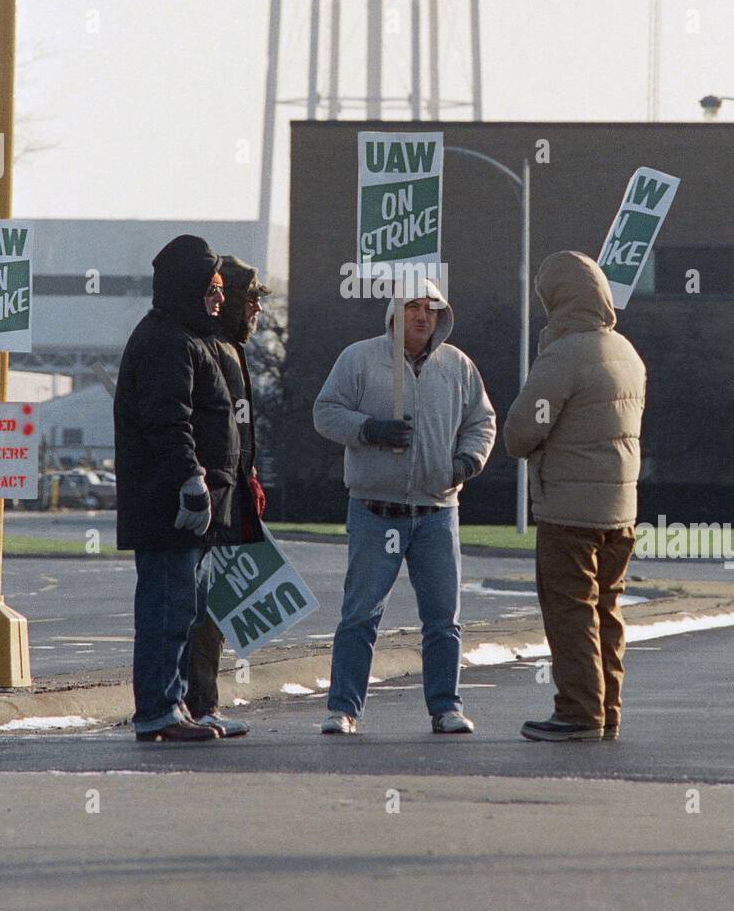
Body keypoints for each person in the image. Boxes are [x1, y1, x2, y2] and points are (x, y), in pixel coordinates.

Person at [313, 278, 496, 735]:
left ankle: (446, 707)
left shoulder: (458, 365)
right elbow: (325, 412)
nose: (422, 316)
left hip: (436, 511)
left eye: (431, 309)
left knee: (442, 618)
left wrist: (468, 460)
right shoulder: (358, 358)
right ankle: (343, 709)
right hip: (375, 511)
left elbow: (483, 420)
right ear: (394, 313)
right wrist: (369, 429)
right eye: (413, 307)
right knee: (360, 615)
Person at [504, 251, 646, 742]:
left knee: (569, 611)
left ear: (557, 298)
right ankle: (608, 708)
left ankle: (577, 712)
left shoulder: (564, 354)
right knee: (607, 610)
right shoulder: (627, 352)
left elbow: (523, 431)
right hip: (620, 512)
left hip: (569, 511)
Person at [114, 234, 246, 743]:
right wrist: (191, 481)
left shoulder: (191, 338)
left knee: (186, 615)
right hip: (171, 510)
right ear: (187, 288)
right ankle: (158, 710)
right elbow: (169, 422)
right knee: (168, 614)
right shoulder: (166, 342)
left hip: (196, 513)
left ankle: (182, 707)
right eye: (211, 287)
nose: (220, 297)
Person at [186, 256, 271, 737]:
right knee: (201, 609)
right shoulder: (211, 348)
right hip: (211, 500)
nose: (257, 309)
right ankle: (199, 704)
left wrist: (248, 476)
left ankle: (201, 702)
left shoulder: (230, 349)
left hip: (229, 495)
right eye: (252, 298)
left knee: (211, 607)